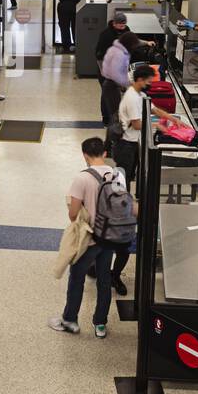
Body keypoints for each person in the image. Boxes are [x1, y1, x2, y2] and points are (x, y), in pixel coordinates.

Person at [50, 138, 130, 339]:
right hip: (110, 236)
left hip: (90, 239)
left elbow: (73, 214)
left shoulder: (82, 179)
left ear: (85, 155)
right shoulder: (117, 174)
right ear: (104, 154)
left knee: (76, 278)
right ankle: (100, 324)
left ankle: (70, 321)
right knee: (104, 280)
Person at [115, 64, 183, 187]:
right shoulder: (132, 98)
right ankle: (120, 203)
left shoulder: (141, 95)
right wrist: (156, 125)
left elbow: (154, 110)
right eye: (148, 82)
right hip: (126, 144)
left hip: (136, 142)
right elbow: (136, 125)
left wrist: (172, 118)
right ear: (140, 80)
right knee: (124, 178)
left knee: (131, 175)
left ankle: (128, 201)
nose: (150, 84)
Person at [99, 30, 140, 133]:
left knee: (113, 114)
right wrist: (129, 84)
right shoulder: (120, 54)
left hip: (109, 84)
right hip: (111, 86)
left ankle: (111, 138)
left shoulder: (116, 48)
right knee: (115, 115)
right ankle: (112, 141)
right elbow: (115, 74)